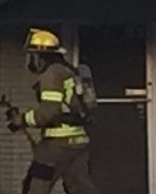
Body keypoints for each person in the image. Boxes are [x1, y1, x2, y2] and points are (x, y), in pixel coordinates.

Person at [9, 29, 97, 194]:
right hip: (78, 142)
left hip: (57, 145)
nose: (30, 60)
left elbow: (48, 113)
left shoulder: (52, 74)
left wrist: (22, 119)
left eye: (31, 55)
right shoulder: (67, 70)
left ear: (39, 56)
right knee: (81, 189)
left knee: (35, 188)